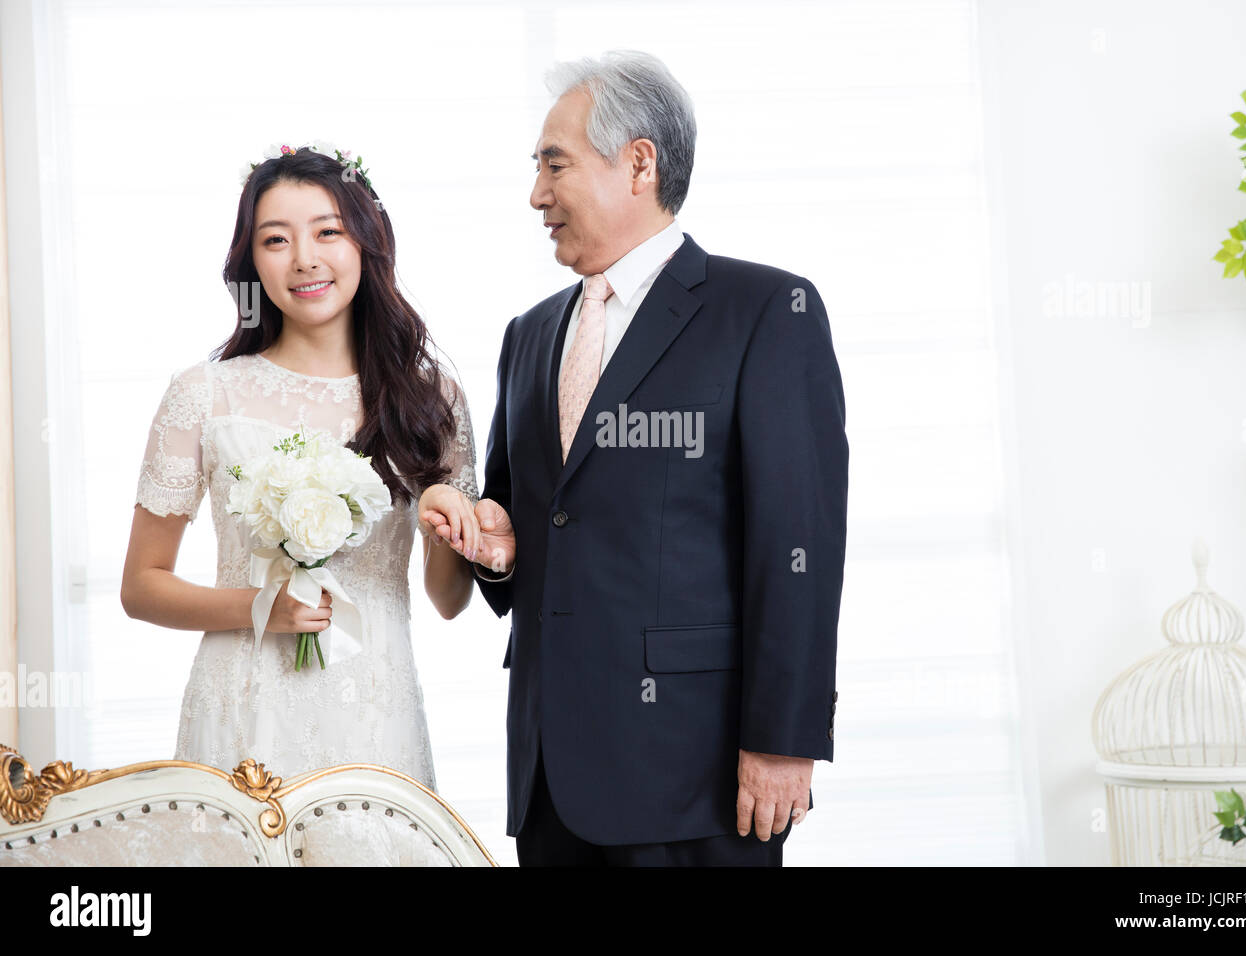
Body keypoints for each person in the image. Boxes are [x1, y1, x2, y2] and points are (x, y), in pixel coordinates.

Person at [443, 50, 849, 866]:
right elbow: (525, 529)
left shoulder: (766, 311)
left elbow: (797, 543)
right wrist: (491, 547)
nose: (536, 195)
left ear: (638, 162)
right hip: (551, 777)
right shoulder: (528, 337)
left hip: (695, 775)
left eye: (554, 165)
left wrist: (783, 741)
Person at [120, 143, 487, 792]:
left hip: (375, 715)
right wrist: (262, 606)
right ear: (250, 260)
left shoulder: (431, 402)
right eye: (275, 240)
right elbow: (141, 587)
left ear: (367, 243)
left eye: (327, 232)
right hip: (242, 710)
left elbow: (448, 600)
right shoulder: (204, 393)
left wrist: (451, 528)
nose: (304, 259)